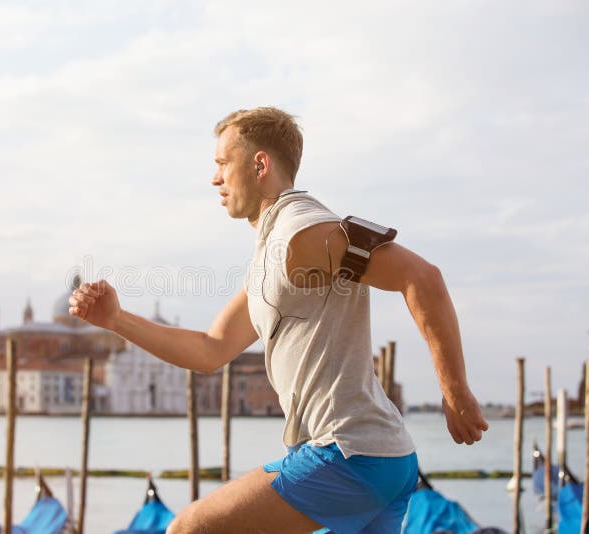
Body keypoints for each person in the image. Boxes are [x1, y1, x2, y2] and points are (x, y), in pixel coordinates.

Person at [69, 107, 489, 533]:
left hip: (347, 455)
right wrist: (117, 320)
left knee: (188, 529)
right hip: (382, 458)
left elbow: (421, 277)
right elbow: (210, 349)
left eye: (221, 163)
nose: (215, 179)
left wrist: (455, 392)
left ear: (259, 164)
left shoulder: (301, 232)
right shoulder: (273, 251)